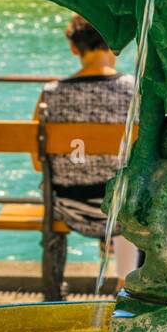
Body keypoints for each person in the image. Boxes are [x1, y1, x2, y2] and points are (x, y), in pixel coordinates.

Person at [34, 15, 140, 283]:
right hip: (121, 210)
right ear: (114, 46)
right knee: (129, 191)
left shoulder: (50, 94)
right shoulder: (133, 90)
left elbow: (38, 163)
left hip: (69, 207)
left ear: (74, 48)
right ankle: (126, 280)